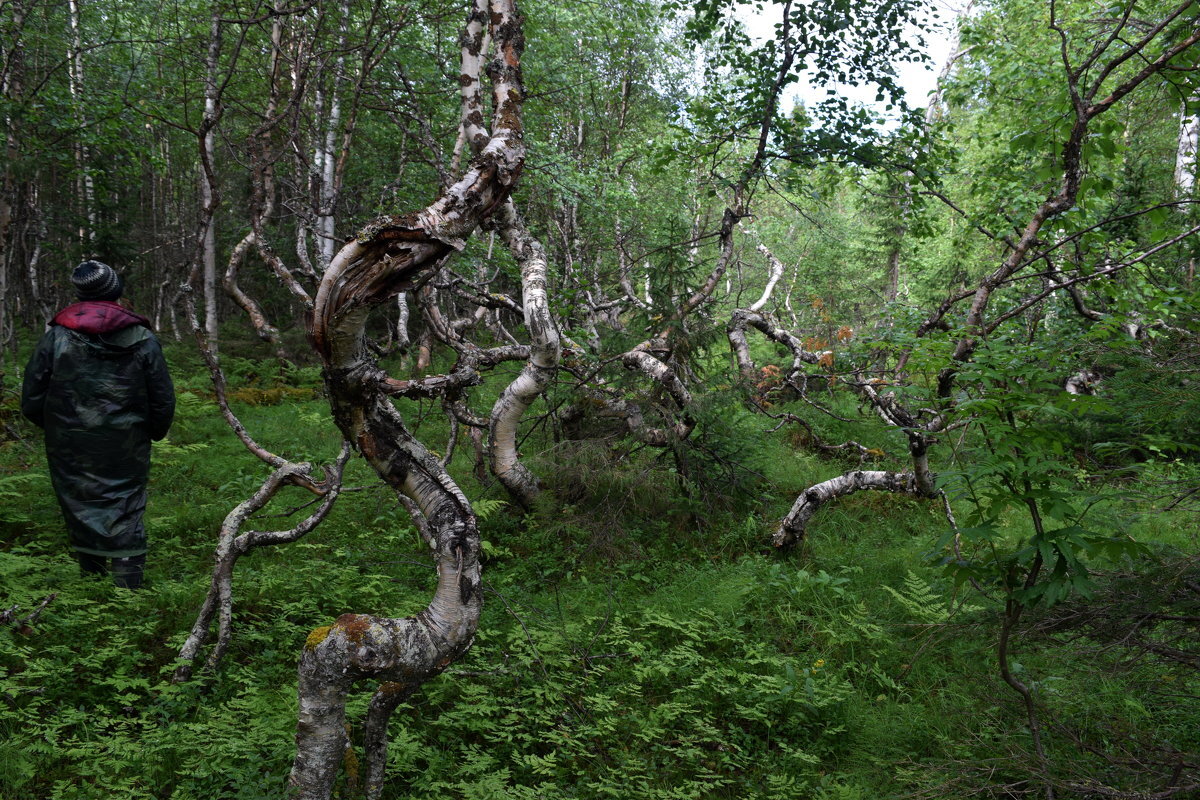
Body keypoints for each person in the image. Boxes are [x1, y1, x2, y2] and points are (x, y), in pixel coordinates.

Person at [21, 260, 175, 589]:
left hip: (70, 443)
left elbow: (32, 396)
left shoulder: (57, 336)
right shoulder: (143, 337)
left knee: (81, 504)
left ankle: (93, 588)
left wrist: (59, 430)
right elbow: (161, 396)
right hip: (126, 441)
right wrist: (153, 432)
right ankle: (127, 592)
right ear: (115, 291)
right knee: (126, 505)